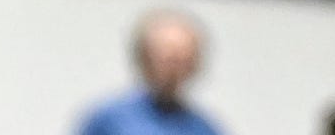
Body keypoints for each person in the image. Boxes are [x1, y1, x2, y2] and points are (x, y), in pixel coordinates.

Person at [74, 13, 225, 135]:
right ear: (144, 59)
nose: (173, 71)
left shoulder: (204, 129)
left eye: (182, 60)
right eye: (167, 59)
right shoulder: (109, 121)